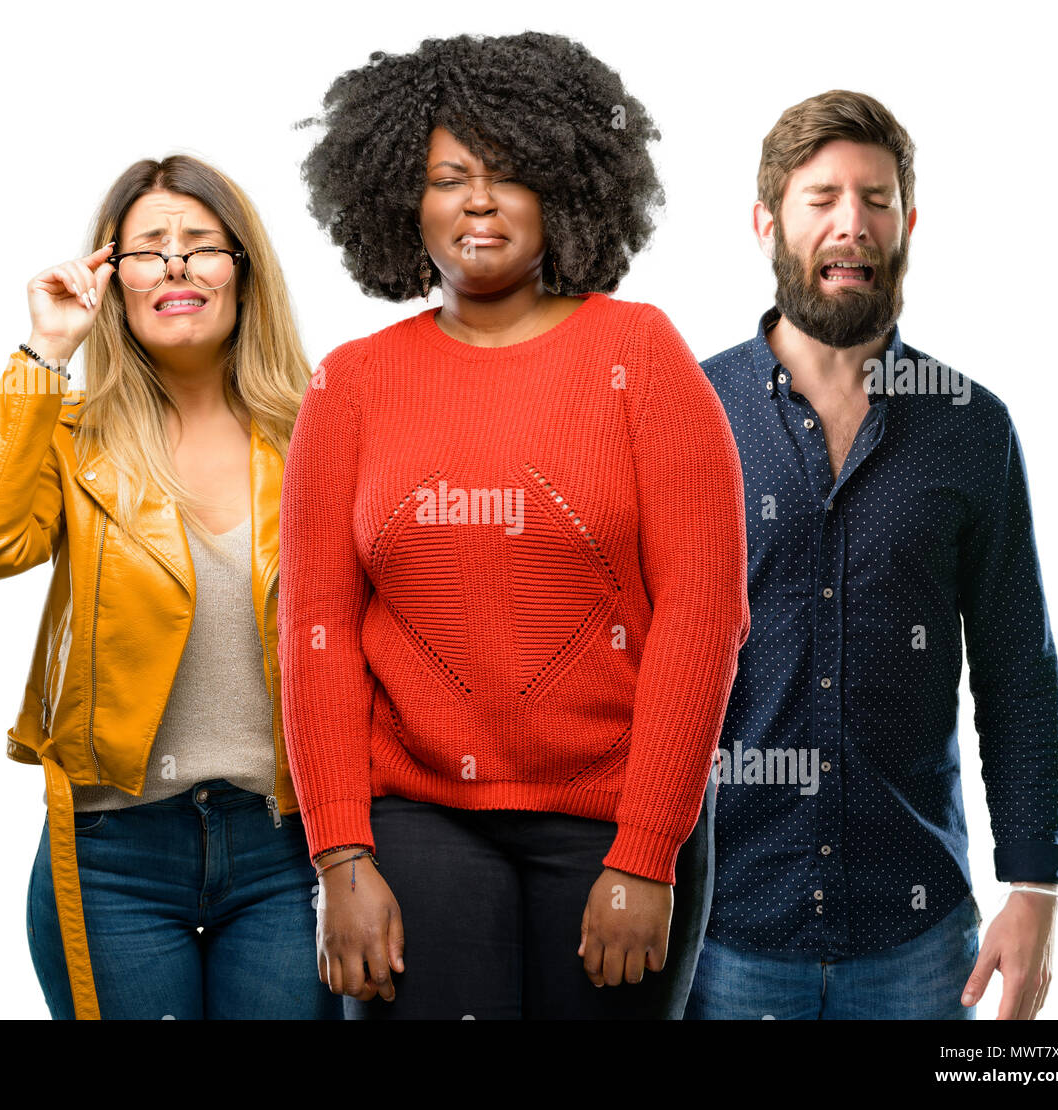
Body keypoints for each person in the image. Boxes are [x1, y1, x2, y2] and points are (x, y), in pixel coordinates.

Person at [280, 31, 750, 1020]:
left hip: (611, 822)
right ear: (403, 201)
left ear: (566, 193)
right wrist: (339, 855)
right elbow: (313, 634)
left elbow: (701, 620)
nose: (478, 201)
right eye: (449, 177)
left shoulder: (642, 357)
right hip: (413, 819)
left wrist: (648, 850)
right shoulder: (352, 385)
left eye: (509, 176)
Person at [686, 90, 1058, 1020]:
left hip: (919, 943)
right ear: (766, 221)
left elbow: (1020, 671)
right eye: (820, 199)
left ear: (909, 222)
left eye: (876, 199)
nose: (850, 225)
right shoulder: (688, 419)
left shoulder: (972, 427)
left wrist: (1035, 890)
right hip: (722, 929)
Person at [0, 154, 341, 1020]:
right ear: (111, 281)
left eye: (201, 244)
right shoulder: (71, 434)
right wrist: (45, 352)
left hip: (287, 844)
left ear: (244, 271)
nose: (177, 266)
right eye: (147, 249)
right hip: (112, 848)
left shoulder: (322, 430)